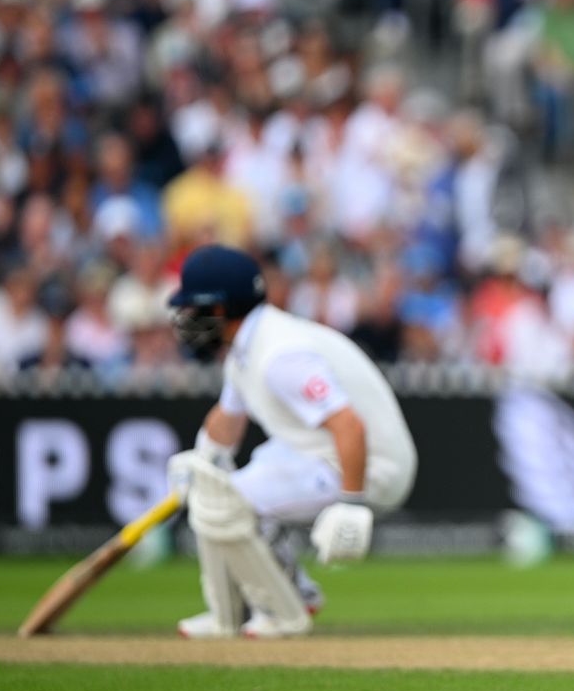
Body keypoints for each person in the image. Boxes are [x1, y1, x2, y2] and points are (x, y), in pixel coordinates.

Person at [165, 245, 418, 638]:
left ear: (220, 309)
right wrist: (200, 463)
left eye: (193, 310)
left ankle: (283, 612)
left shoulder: (280, 356)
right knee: (219, 492)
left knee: (226, 501)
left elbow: (349, 425)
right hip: (322, 455)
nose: (187, 320)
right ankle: (246, 611)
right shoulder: (249, 347)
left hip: (370, 467)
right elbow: (227, 421)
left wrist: (351, 504)